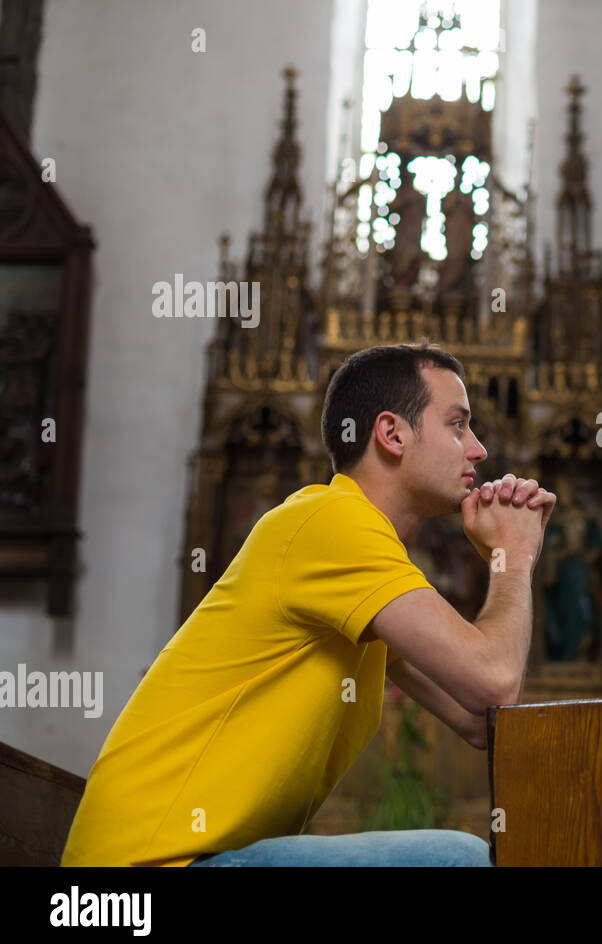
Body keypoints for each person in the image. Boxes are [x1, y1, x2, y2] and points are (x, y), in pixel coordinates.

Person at [60, 343, 556, 867]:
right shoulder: (332, 524)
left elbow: (483, 720)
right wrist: (514, 556)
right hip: (143, 873)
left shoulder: (361, 556)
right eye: (458, 425)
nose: (478, 449)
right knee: (458, 860)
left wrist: (506, 558)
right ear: (391, 434)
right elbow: (495, 680)